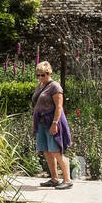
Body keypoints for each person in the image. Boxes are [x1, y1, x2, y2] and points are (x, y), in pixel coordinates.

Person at [31, 61, 72, 190]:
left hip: (52, 121)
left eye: (42, 75)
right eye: (38, 75)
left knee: (56, 151)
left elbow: (59, 107)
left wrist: (54, 124)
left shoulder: (55, 87)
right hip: (41, 122)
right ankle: (54, 179)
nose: (40, 77)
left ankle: (67, 180)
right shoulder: (40, 85)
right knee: (47, 151)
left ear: (49, 73)